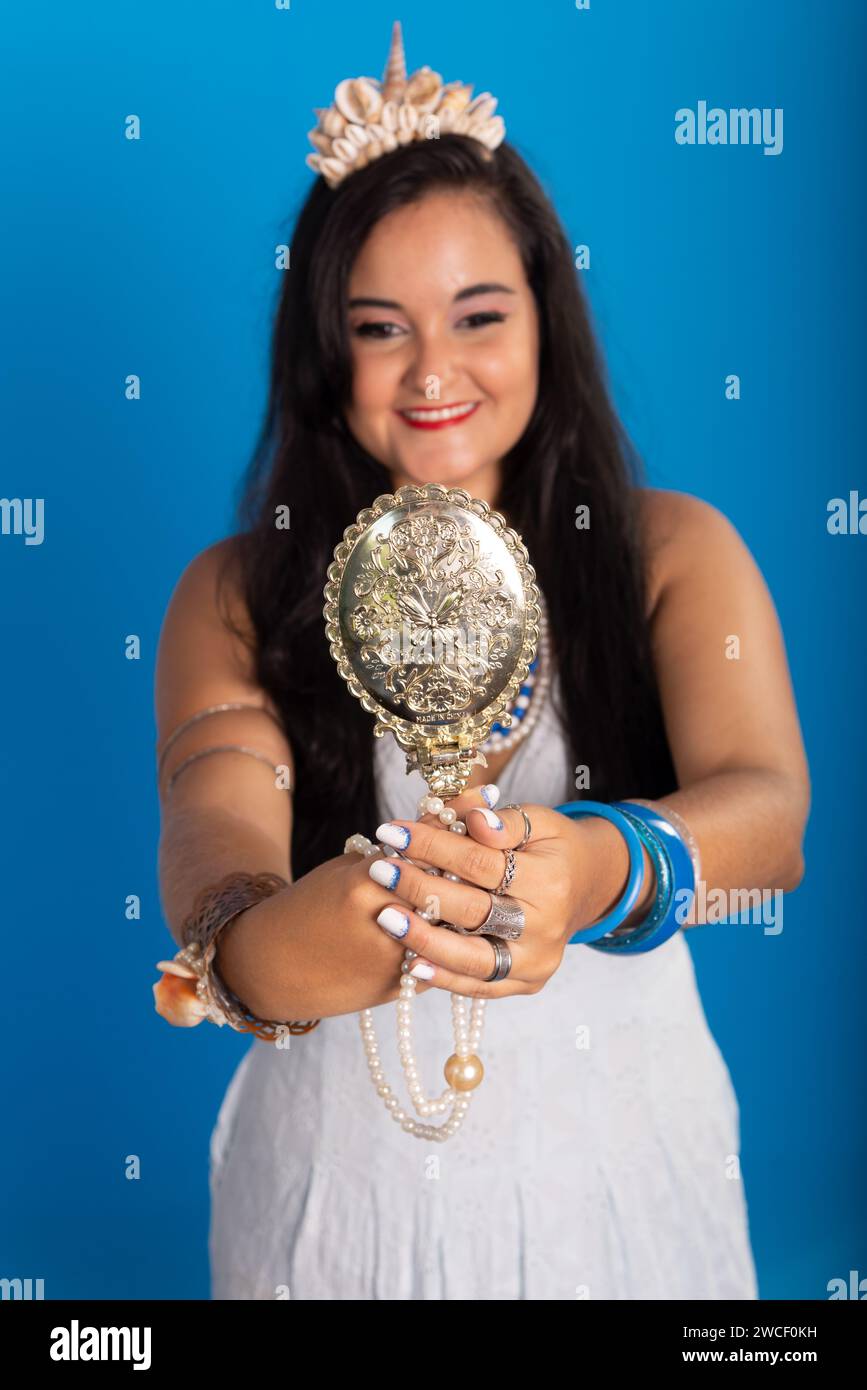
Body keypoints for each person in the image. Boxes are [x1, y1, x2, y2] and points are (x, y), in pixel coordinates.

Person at [153, 23, 810, 1299]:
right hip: (337, 1198)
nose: (434, 371)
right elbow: (216, 847)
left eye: (479, 315)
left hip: (627, 1176)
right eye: (381, 327)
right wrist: (272, 948)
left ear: (547, 321)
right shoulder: (237, 595)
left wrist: (604, 861)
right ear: (323, 356)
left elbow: (769, 816)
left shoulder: (668, 551)